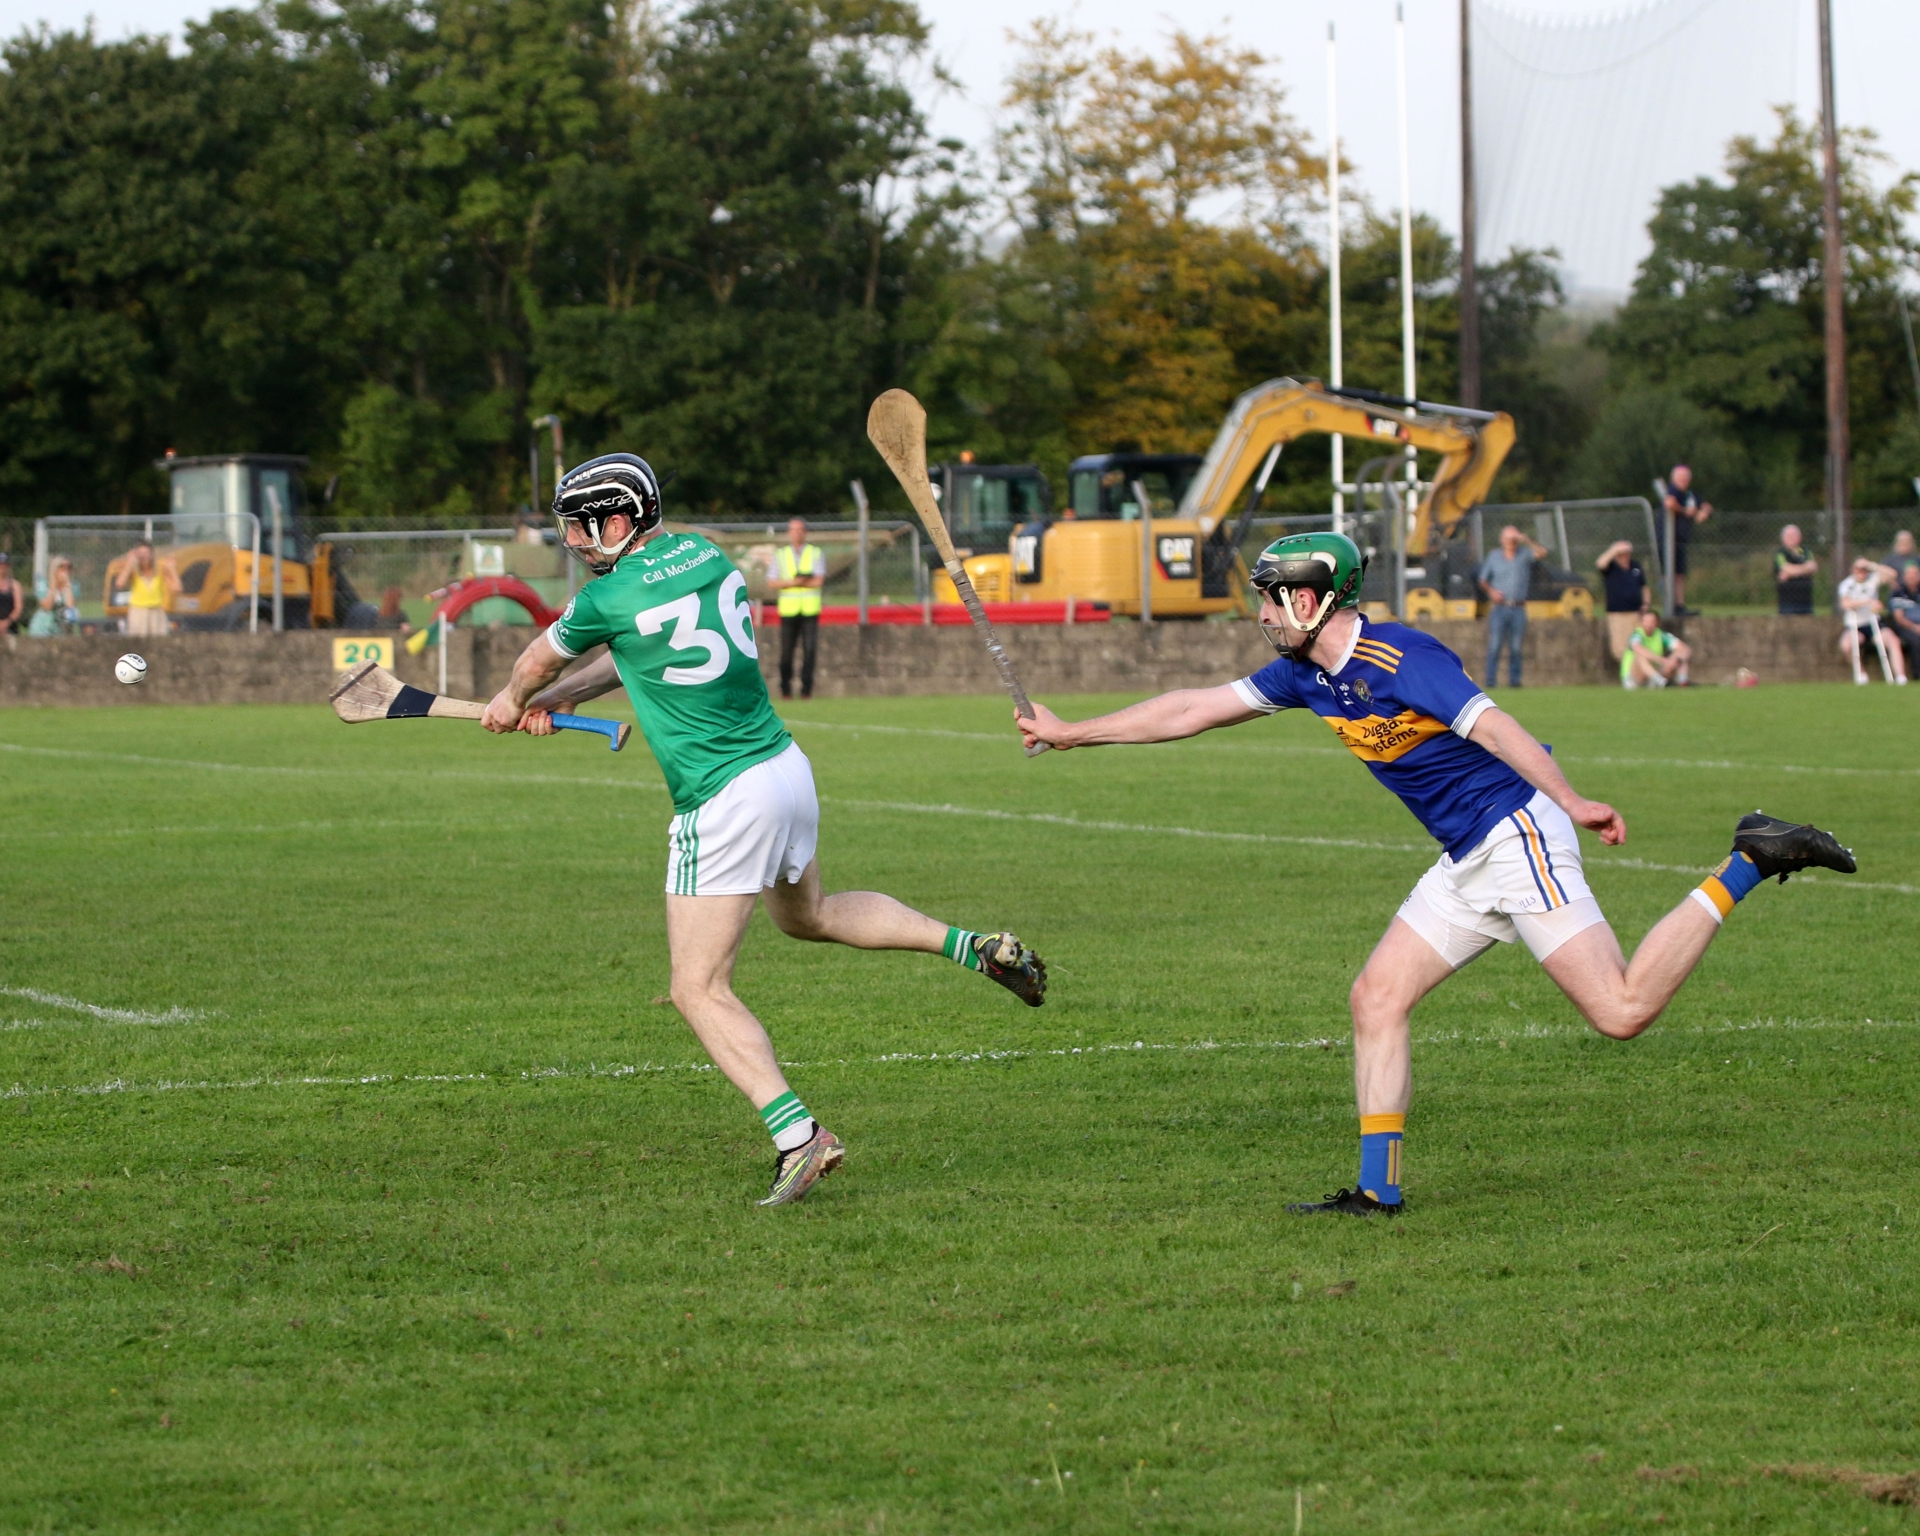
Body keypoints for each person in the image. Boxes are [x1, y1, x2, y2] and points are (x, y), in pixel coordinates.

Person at [1016, 531, 1855, 1217]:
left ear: (1312, 600)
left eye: (1273, 596)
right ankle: (1378, 1192)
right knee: (1376, 998)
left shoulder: (1399, 659)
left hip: (1518, 835)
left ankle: (1749, 858)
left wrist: (1572, 798)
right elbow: (1191, 707)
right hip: (1466, 859)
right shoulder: (1306, 675)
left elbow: (1498, 729)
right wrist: (1071, 733)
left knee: (1622, 1011)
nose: (1261, 611)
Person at [480, 454, 1048, 1207]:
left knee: (697, 986)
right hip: (784, 771)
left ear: (618, 523)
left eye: (583, 529)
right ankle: (972, 946)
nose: (577, 544)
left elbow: (535, 661)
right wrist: (548, 700)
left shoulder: (609, 595)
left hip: (721, 799)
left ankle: (797, 1135)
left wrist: (510, 698)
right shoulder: (704, 556)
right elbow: (631, 658)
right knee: (811, 916)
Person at [1477, 524, 1548, 688]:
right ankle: (1490, 681)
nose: (1511, 542)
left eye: (1514, 539)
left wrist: (1526, 540)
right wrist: (1492, 592)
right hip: (1499, 608)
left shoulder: (1524, 555)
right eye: (1509, 539)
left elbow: (1542, 552)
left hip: (1518, 607)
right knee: (1494, 646)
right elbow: (1483, 579)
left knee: (1516, 647)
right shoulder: (1494, 556)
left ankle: (1515, 682)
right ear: (1502, 540)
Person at [774, 517, 825, 701]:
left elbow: (819, 581)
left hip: (810, 610)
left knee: (810, 651)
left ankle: (806, 691)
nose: (797, 533)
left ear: (805, 532)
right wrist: (794, 582)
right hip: (788, 610)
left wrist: (798, 583)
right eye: (793, 530)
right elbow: (772, 581)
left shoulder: (815, 553)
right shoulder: (780, 554)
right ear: (789, 532)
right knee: (786, 653)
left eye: (800, 529)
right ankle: (785, 690)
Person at [1837, 556, 1907, 684]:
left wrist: (1871, 564)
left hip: (1873, 622)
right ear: (1853, 570)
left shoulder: (1873, 579)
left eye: (1864, 570)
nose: (1861, 573)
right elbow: (1845, 604)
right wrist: (1869, 602)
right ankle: (1862, 674)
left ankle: (1900, 676)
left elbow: (1892, 574)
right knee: (1846, 645)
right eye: (1858, 569)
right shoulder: (1847, 584)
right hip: (1855, 624)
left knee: (1894, 641)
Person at [1662, 465, 1711, 614]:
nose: (1683, 481)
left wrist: (1703, 512)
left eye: (1686, 478)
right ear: (1674, 479)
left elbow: (1706, 506)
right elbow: (1669, 503)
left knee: (1680, 574)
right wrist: (1685, 511)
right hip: (1667, 539)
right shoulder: (1672, 490)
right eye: (1680, 478)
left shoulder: (1690, 494)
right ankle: (1669, 605)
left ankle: (1679, 606)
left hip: (1682, 539)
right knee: (1669, 572)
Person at [1596, 540, 1650, 660]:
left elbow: (1644, 587)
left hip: (1636, 612)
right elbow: (1600, 564)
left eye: (1627, 553)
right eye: (1622, 553)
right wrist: (1614, 550)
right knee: (1620, 647)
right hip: (1618, 613)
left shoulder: (1636, 566)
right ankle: (1627, 673)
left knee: (1639, 643)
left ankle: (1638, 673)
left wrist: (1646, 603)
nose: (1626, 556)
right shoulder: (1610, 567)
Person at [1620, 609, 1691, 690]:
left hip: (1653, 672)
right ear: (1641, 622)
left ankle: (1683, 681)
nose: (1649, 624)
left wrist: (1675, 660)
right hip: (1634, 677)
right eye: (1646, 621)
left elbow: (1683, 648)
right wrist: (1661, 660)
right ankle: (1660, 681)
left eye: (1652, 621)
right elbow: (1638, 648)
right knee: (1640, 655)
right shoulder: (1637, 635)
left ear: (1657, 623)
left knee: (1681, 653)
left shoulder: (1660, 634)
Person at [121, 541, 180, 638]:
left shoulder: (160, 568)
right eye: (141, 554)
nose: (144, 557)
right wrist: (129, 564)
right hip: (138, 612)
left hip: (156, 612)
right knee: (138, 643)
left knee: (159, 642)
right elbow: (120, 584)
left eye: (147, 553)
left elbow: (177, 588)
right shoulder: (134, 570)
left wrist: (172, 569)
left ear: (152, 554)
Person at [27, 556, 77, 637]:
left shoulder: (73, 587)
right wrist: (53, 586)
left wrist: (67, 584)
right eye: (62, 567)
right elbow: (47, 607)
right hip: (42, 627)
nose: (66, 570)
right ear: (54, 569)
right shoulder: (43, 584)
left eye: (69, 567)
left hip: (61, 628)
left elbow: (70, 606)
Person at [1773, 525, 1818, 615]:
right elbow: (1785, 569)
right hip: (1787, 600)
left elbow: (1813, 567)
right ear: (1783, 538)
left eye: (1794, 535)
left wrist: (1791, 572)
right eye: (1789, 536)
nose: (1792, 538)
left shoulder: (1806, 551)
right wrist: (1805, 569)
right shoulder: (1780, 553)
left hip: (1806, 599)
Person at [1890, 562, 1920, 678]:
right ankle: (1917, 675)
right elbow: (1899, 618)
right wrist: (1915, 627)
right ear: (1904, 576)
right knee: (1916, 642)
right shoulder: (1898, 592)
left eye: (1915, 574)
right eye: (1909, 575)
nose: (1912, 577)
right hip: (1906, 626)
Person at [0, 553, 25, 635]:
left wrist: (7, 622)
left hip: (10, 627)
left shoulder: (15, 585)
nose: (2, 567)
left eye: (5, 564)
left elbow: (18, 608)